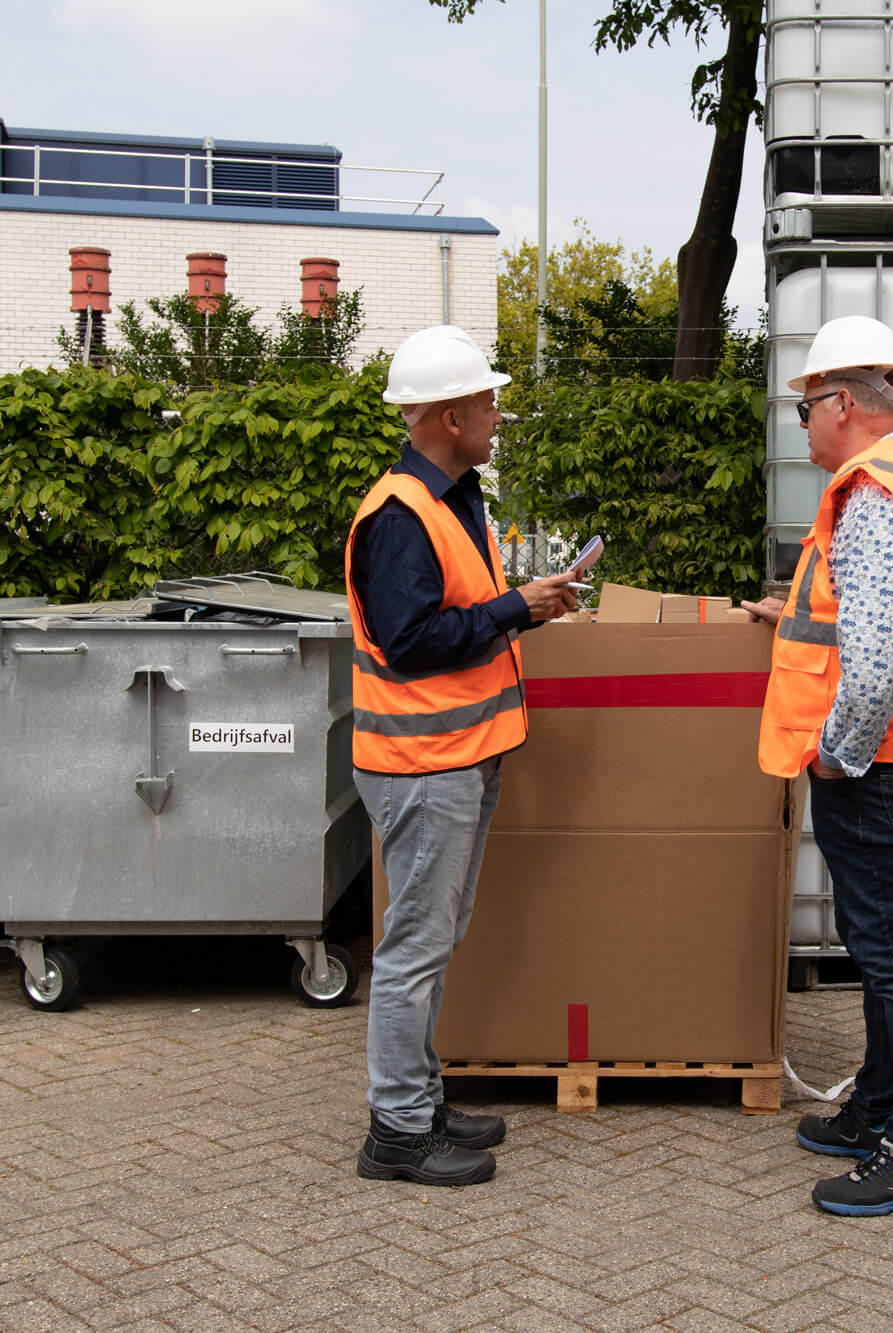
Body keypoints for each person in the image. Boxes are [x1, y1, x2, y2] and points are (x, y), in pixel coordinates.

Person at [744, 315, 893, 1217]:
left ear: (843, 403)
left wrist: (838, 753)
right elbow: (864, 623)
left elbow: (879, 655)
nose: (800, 424)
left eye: (805, 408)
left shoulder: (873, 492)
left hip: (871, 762)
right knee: (883, 951)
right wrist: (787, 620)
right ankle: (876, 1108)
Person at [346, 325, 581, 1186]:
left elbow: (462, 612)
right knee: (413, 945)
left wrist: (522, 605)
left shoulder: (455, 496)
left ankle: (417, 1096)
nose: (497, 414)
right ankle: (398, 1134)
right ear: (446, 415)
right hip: (423, 766)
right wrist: (515, 608)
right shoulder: (401, 517)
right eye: (487, 401)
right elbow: (409, 643)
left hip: (458, 756)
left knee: (432, 939)